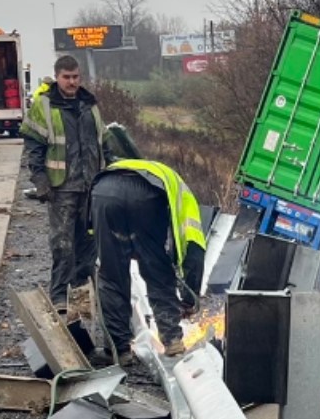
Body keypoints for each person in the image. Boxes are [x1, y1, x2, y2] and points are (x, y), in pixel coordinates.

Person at [20, 56, 110, 323]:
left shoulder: (89, 104)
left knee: (87, 248)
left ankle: (81, 305)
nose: (71, 82)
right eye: (66, 77)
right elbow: (34, 146)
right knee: (62, 245)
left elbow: (103, 143)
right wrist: (40, 180)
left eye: (75, 77)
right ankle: (59, 298)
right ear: (57, 76)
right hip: (61, 188)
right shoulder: (44, 106)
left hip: (90, 187)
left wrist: (109, 172)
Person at [88, 158, 207, 359]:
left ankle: (119, 350)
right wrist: (189, 300)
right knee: (158, 272)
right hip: (146, 196)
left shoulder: (166, 181)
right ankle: (172, 342)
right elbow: (194, 252)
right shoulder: (184, 198)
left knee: (111, 276)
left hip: (103, 191)